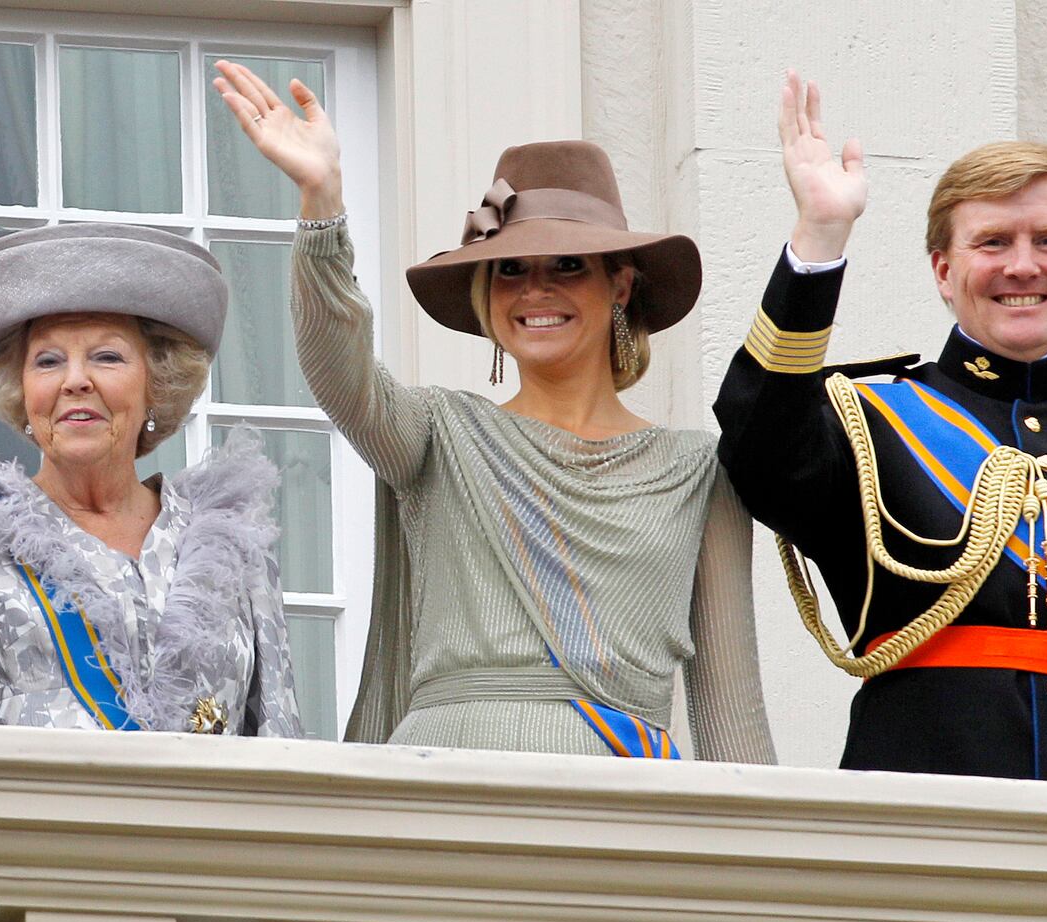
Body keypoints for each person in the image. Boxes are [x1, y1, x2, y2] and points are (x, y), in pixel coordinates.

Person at [212, 60, 773, 762]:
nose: (535, 289)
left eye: (568, 263)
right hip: (443, 795)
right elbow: (337, 367)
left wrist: (762, 860)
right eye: (509, 267)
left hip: (620, 811)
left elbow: (732, 710)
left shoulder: (699, 469)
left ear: (621, 285)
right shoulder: (439, 434)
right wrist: (322, 200)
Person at [714, 71, 1047, 787]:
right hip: (926, 823)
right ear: (943, 270)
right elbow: (756, 449)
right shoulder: (872, 423)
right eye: (993, 242)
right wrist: (819, 239)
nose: (1022, 265)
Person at [0, 188, 302, 737]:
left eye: (107, 356)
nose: (74, 380)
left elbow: (281, 739)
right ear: (22, 393)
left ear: (156, 384)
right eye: (47, 361)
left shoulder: (224, 544)